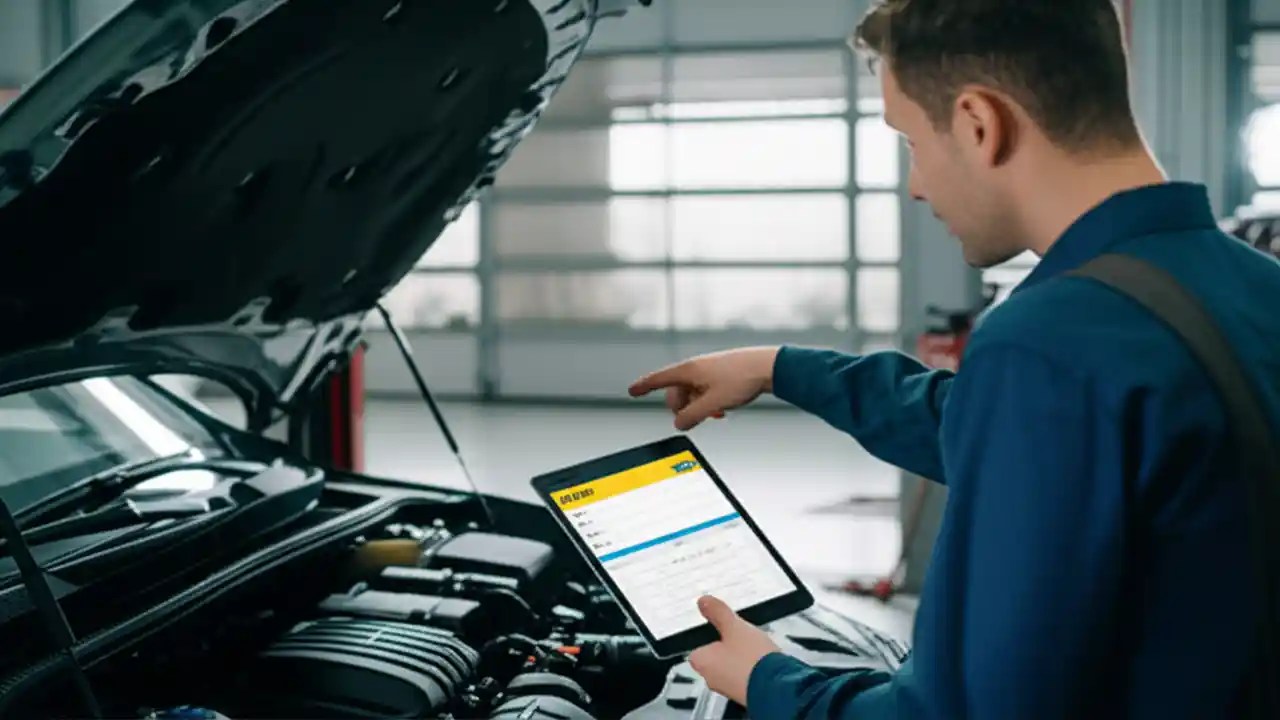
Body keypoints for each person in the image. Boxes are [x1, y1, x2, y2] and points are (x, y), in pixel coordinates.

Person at [627, 0, 1280, 717]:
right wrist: (779, 366)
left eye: (909, 141)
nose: (915, 184)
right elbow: (1007, 438)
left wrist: (773, 680)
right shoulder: (1250, 287)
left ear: (978, 123)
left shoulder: (1047, 341)